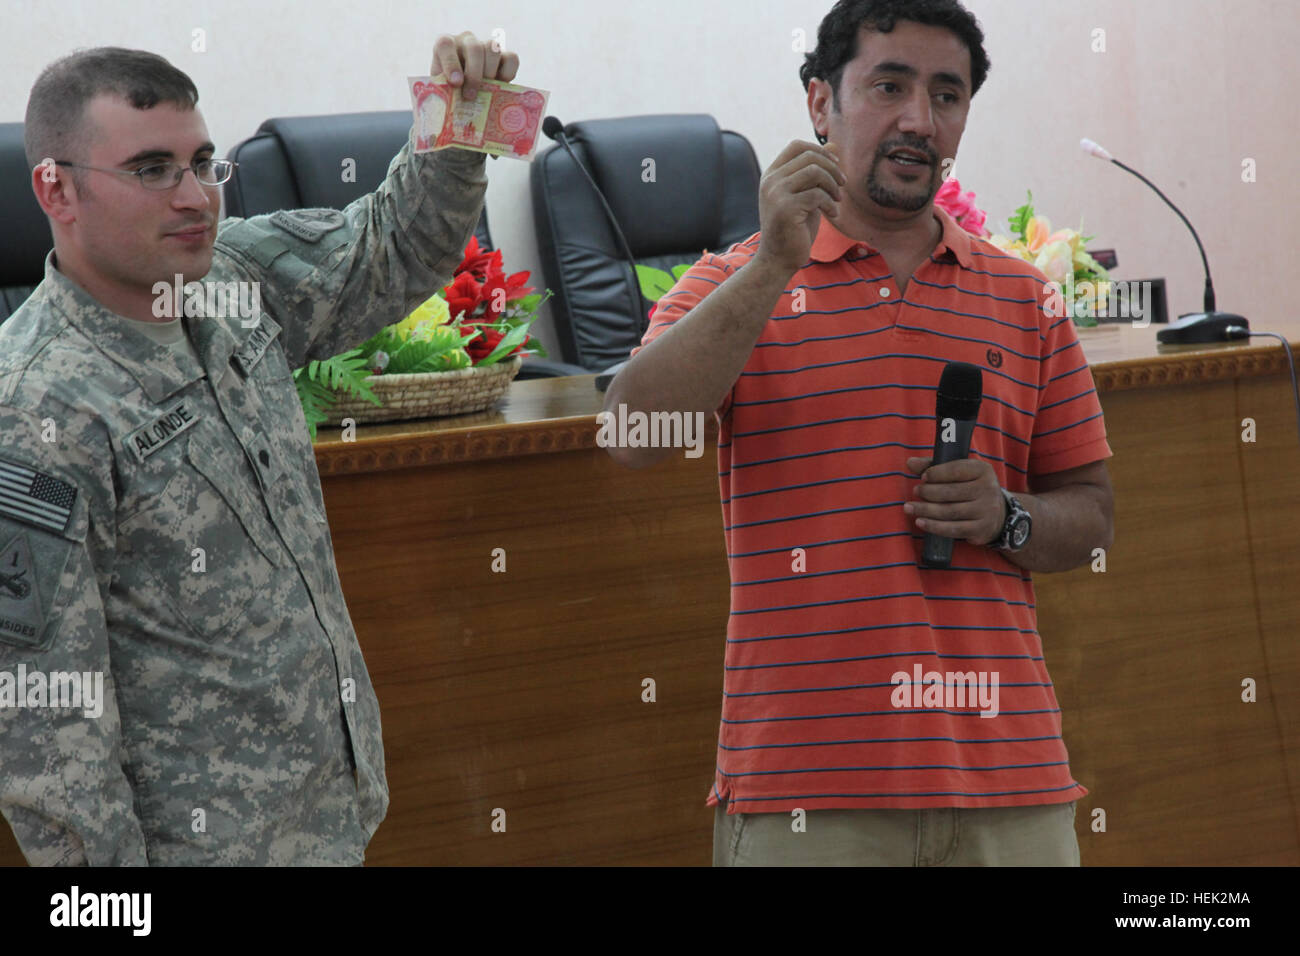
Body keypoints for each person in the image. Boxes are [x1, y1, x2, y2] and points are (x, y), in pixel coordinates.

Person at [603, 0, 1114, 866]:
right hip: (808, 797)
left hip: (1010, 785)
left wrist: (1004, 520)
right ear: (819, 106)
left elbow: (1092, 517)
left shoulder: (1027, 299)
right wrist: (775, 261)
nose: (920, 119)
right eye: (889, 85)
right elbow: (632, 434)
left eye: (946, 95)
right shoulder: (737, 281)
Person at [0, 32, 519, 865]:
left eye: (204, 162)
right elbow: (45, 729)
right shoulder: (31, 408)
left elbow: (384, 251)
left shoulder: (233, 280)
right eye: (151, 169)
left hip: (323, 820)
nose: (196, 196)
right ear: (55, 189)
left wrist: (458, 124)